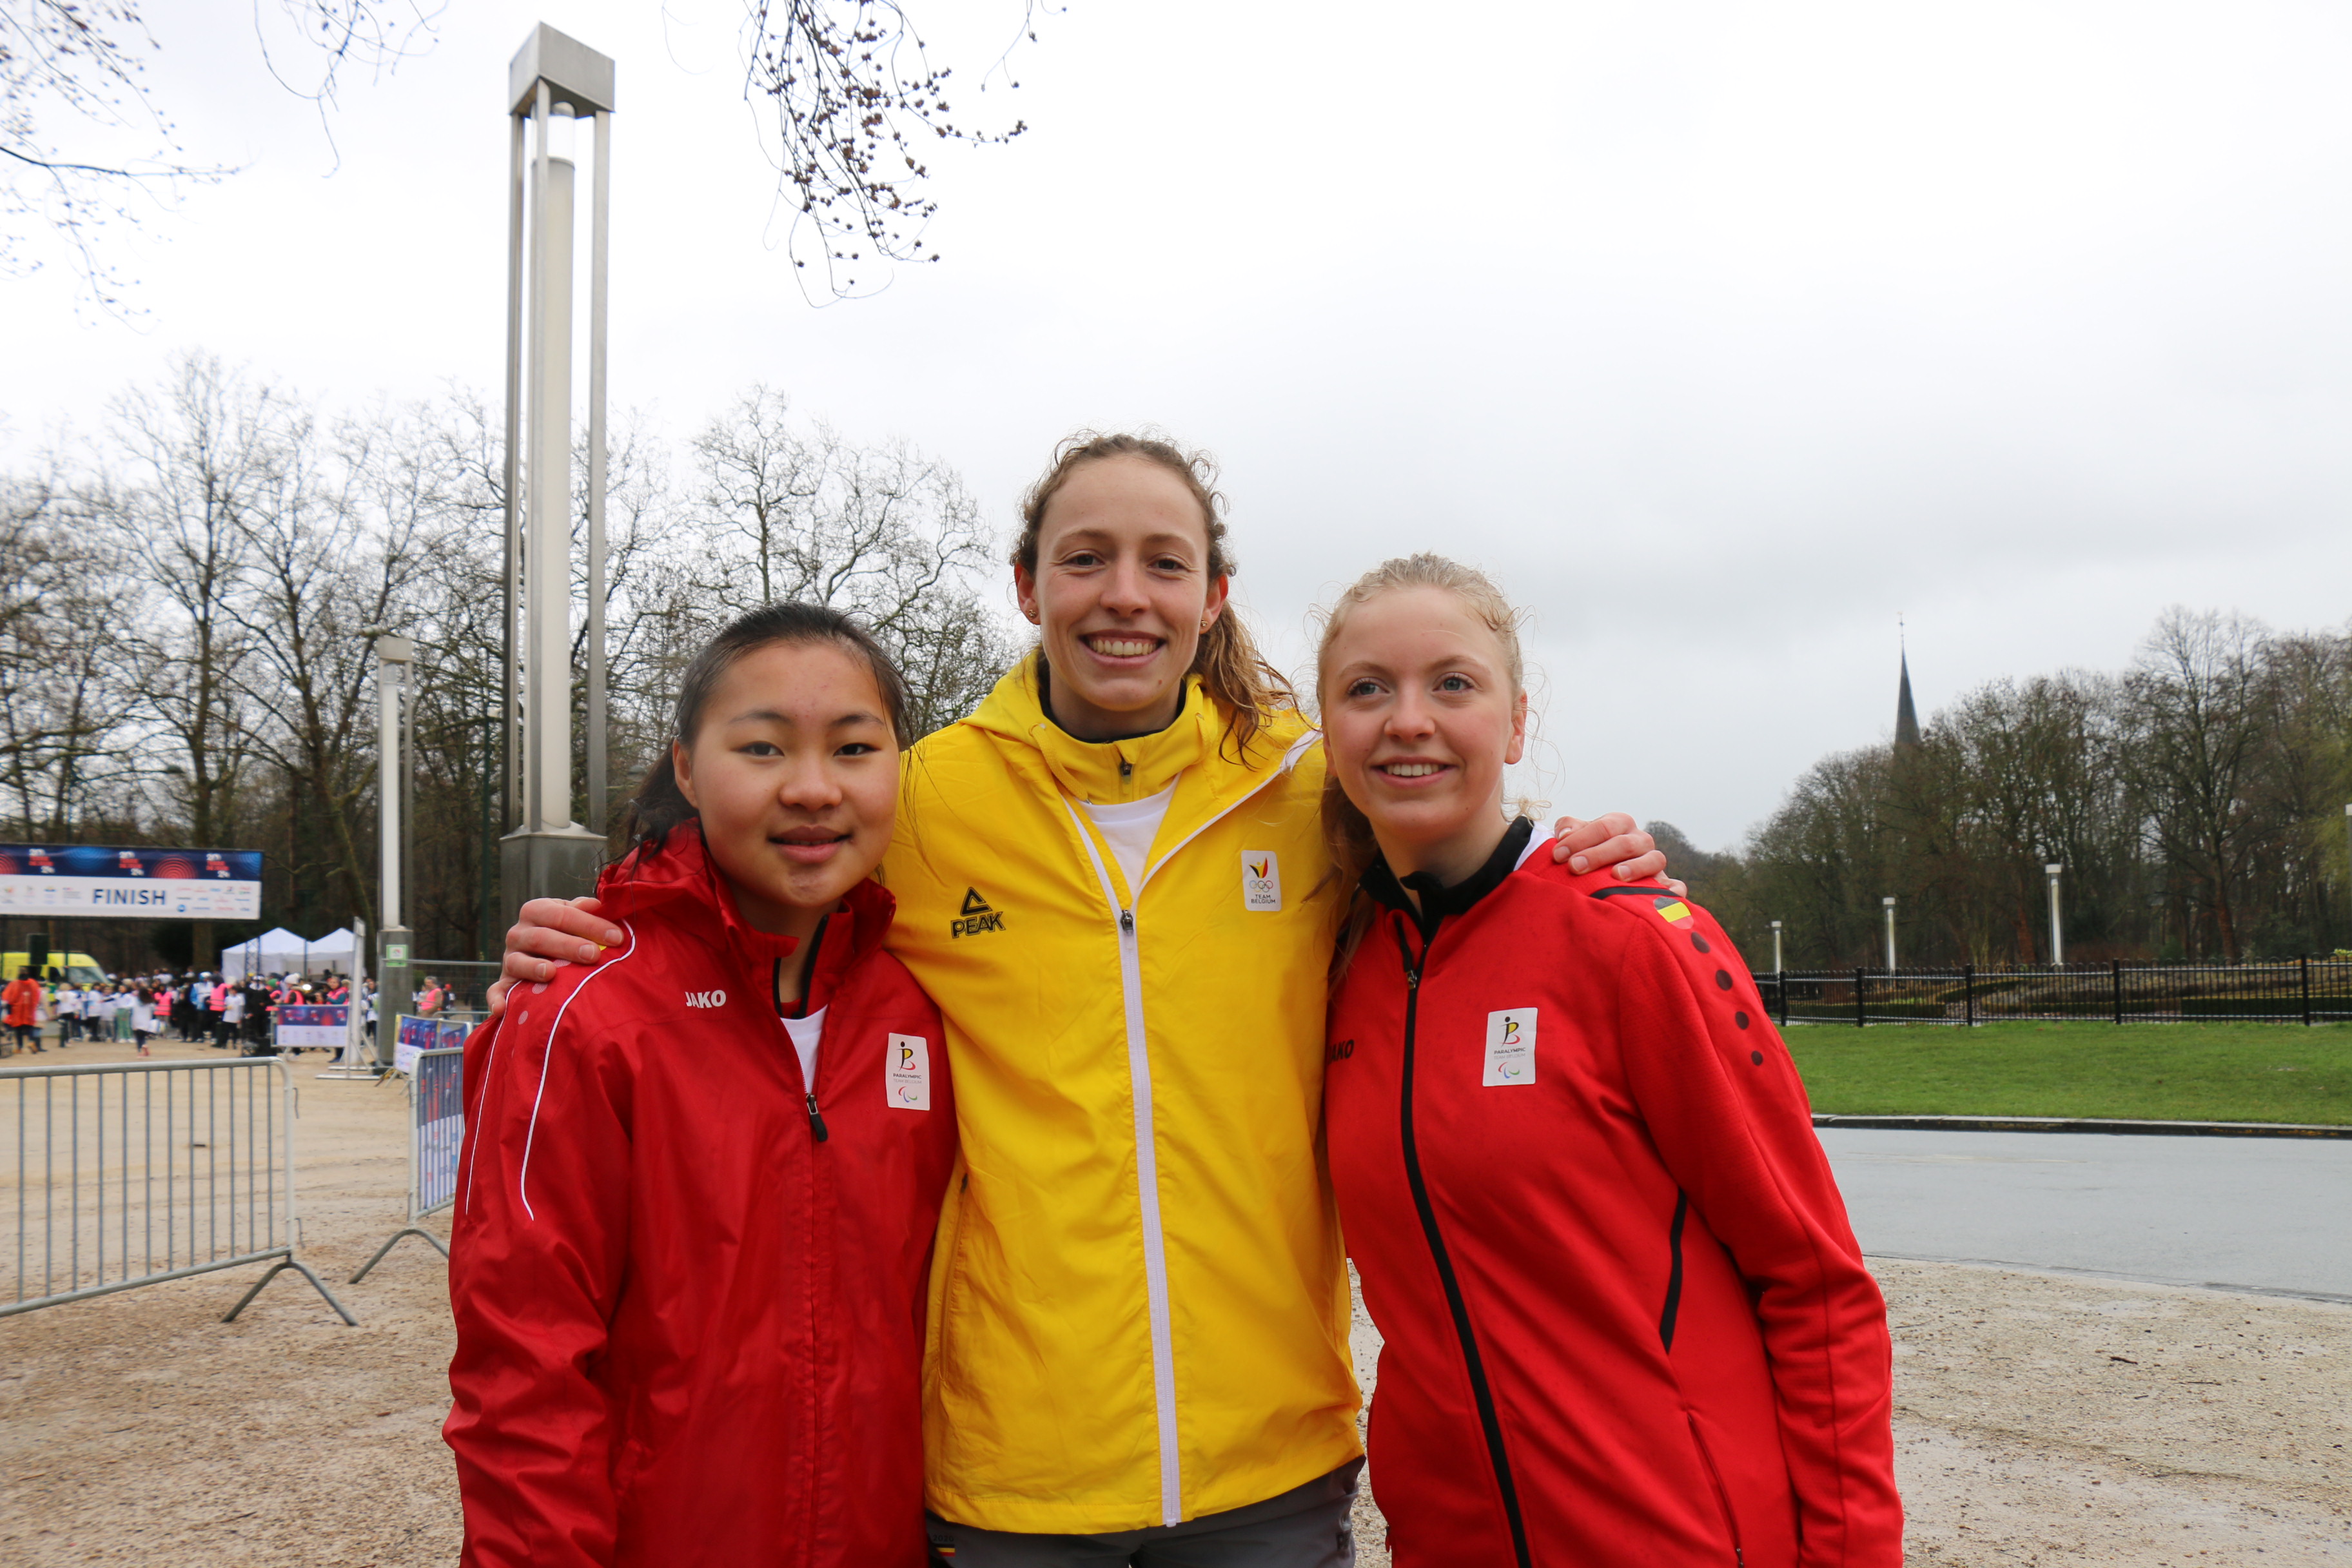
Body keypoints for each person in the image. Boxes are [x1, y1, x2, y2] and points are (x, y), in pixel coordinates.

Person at [497, 434, 1676, 1564]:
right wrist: (610, 935)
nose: (1125, 593)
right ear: (1026, 585)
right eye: (1084, 558)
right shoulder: (919, 796)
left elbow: (1461, 877)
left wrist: (1581, 861)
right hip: (1011, 1479)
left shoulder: (1311, 787)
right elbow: (759, 874)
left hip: (1266, 1469)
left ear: (1213, 594)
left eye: (1163, 561)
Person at [1312, 555, 1901, 1567]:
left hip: (1676, 1537)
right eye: (1368, 689)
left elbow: (1814, 1283)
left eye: (1453, 683)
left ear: (1517, 721)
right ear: (1328, 730)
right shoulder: (1332, 965)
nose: (1408, 719)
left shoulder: (1636, 940)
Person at [446, 603, 960, 1568]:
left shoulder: (928, 1006)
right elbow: (523, 1368)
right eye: (762, 749)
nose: (813, 790)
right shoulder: (583, 1013)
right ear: (686, 767)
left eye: (854, 749)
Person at [5, 965, 43, 1055]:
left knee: (18, 1030)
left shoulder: (14, 984)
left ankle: (19, 1048)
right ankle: (31, 1041)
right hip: (29, 1010)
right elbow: (37, 996)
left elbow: (9, 998)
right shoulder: (33, 983)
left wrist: (9, 1011)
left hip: (17, 1010)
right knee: (29, 1028)